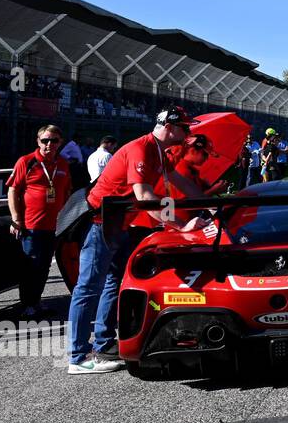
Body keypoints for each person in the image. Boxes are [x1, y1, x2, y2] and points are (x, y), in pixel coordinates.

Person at [68, 105, 195, 375]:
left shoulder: (160, 152)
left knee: (114, 282)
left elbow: (181, 182)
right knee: (88, 287)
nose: (188, 132)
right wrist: (183, 225)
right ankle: (78, 357)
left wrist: (210, 206)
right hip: (98, 223)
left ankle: (103, 344)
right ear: (170, 127)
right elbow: (145, 197)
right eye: (185, 128)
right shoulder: (141, 148)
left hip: (117, 224)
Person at [6, 124, 74, 318]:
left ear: (60, 143)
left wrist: (67, 219)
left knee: (44, 266)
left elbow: (67, 192)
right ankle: (27, 304)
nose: (49, 144)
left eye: (54, 141)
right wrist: (16, 219)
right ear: (38, 141)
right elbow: (13, 190)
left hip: (55, 226)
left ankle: (36, 302)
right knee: (31, 266)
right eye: (45, 140)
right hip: (31, 226)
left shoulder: (63, 163)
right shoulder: (26, 162)